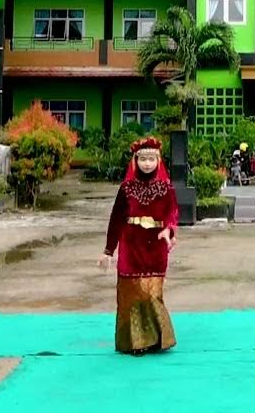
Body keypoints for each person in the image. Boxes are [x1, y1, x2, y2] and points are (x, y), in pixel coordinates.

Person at [98, 136, 179, 356]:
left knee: (152, 295)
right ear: (135, 160)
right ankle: (135, 343)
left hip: (156, 245)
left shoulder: (166, 187)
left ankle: (157, 339)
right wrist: (108, 251)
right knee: (132, 295)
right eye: (143, 159)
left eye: (151, 159)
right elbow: (115, 219)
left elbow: (173, 212)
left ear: (158, 160)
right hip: (130, 244)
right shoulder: (126, 188)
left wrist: (169, 230)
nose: (147, 164)